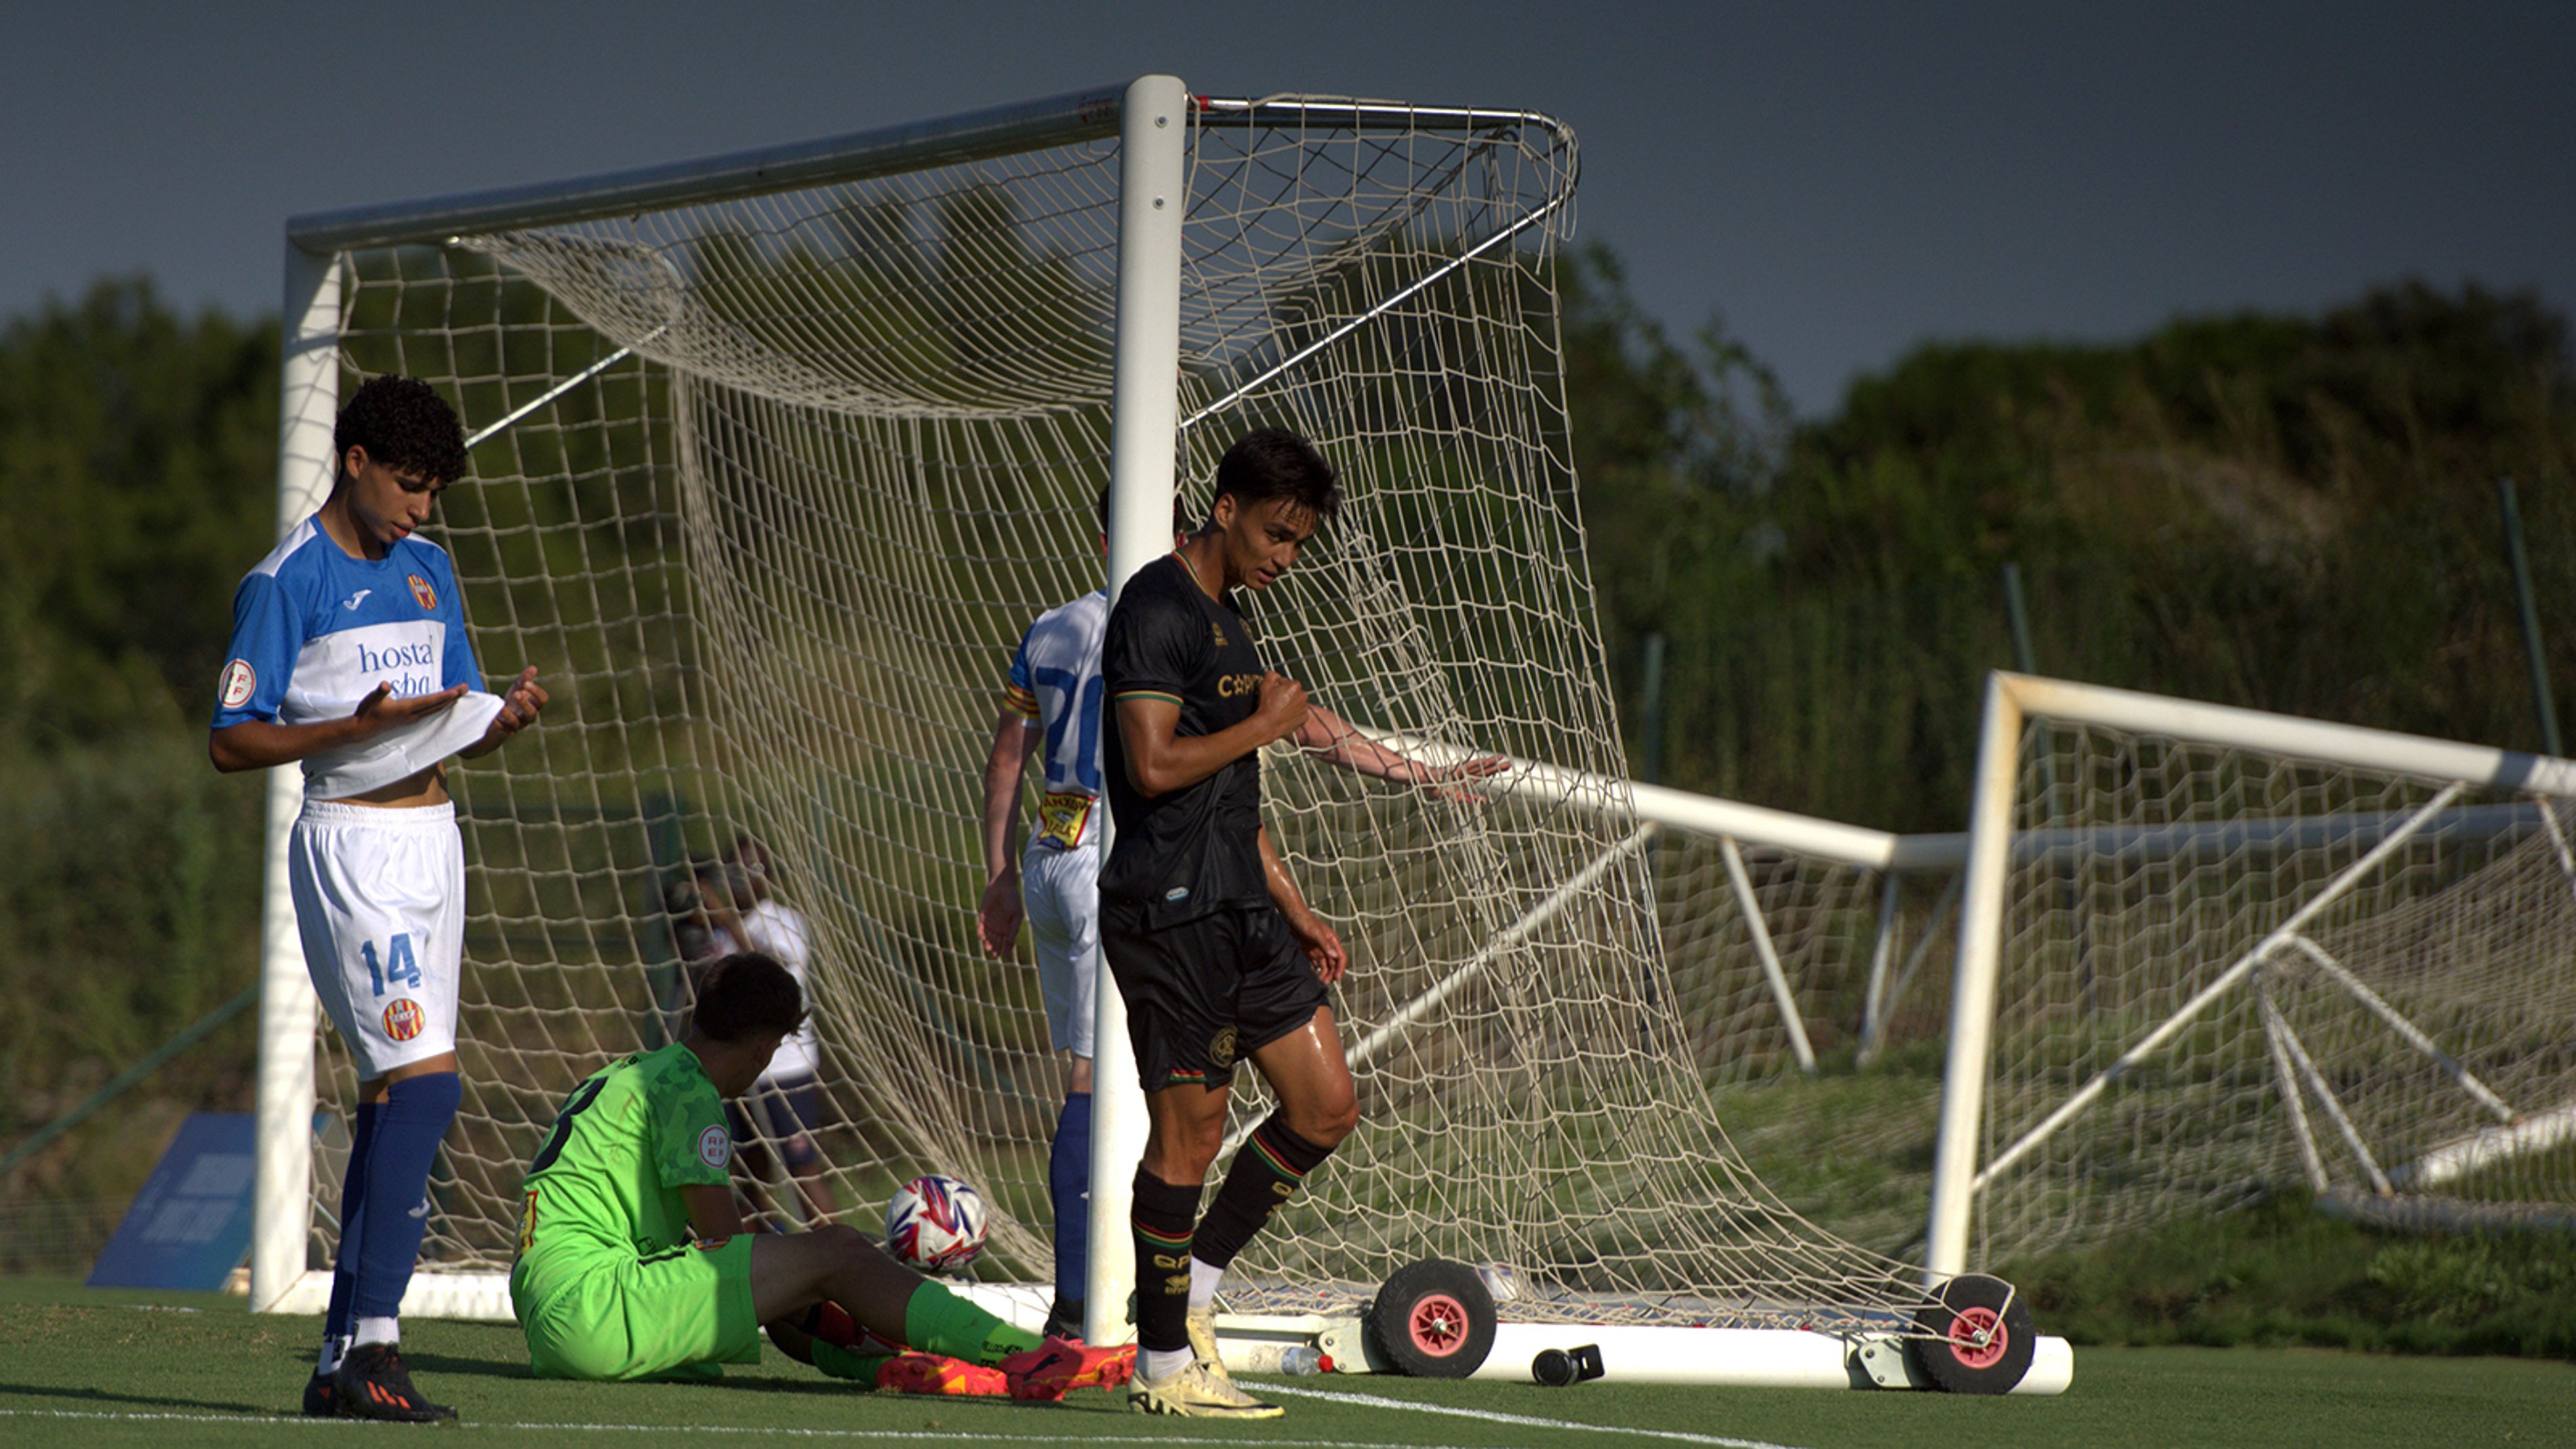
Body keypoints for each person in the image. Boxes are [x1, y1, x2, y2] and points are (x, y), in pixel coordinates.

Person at [978, 487, 1497, 1348]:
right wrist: (1409, 769)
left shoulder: (1051, 625)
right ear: (1189, 527)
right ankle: (1102, 1317)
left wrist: (1000, 873)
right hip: (1140, 862)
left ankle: (1119, 1298)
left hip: (1051, 850)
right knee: (1151, 1108)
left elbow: (1007, 759)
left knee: (1097, 1083)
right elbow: (1279, 734)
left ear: (1102, 535)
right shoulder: (1170, 619)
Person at [1096, 427, 1506, 1418]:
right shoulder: (1156, 606)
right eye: (1275, 534)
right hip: (1170, 914)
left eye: (1299, 542)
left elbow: (1259, 765)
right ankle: (1162, 1364)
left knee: (1325, 1106)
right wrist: (1264, 726)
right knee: (1187, 1140)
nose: (1285, 556)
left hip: (1242, 907)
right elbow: (1151, 767)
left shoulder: (1230, 618)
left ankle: (1189, 1291)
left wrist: (1411, 777)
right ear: (1224, 508)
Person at [208, 373, 548, 1423]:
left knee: (398, 1097)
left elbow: (455, 709)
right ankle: (376, 1344)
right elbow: (231, 740)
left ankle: (340, 1360)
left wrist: (500, 719)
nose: (421, 507)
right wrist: (347, 730)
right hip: (353, 847)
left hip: (435, 844)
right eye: (409, 484)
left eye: (434, 490)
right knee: (428, 1087)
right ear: (353, 461)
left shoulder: (430, 568)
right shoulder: (286, 581)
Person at [509, 950, 1132, 1401]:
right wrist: (841, 1295)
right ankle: (1021, 1353)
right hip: (596, 1303)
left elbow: (739, 1270)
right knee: (835, 1250)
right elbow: (728, 1247)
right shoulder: (688, 1093)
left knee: (797, 1269)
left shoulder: (629, 1072)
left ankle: (887, 1367)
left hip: (560, 1314)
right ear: (765, 1049)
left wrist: (829, 1308)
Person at [721, 835, 834, 1227]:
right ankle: (755, 1252)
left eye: (750, 869)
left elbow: (776, 972)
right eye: (733, 870)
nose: (740, 879)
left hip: (784, 1067)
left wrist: (727, 922)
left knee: (801, 1167)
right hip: (736, 1069)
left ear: (767, 876)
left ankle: (831, 1252)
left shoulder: (783, 922)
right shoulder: (718, 930)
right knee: (744, 1172)